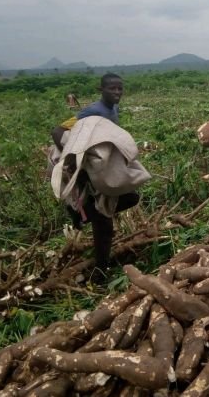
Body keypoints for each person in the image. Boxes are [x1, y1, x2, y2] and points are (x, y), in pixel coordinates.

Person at [51, 73, 140, 277]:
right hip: (88, 171)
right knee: (104, 224)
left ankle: (84, 215)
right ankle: (100, 269)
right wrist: (72, 160)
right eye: (112, 88)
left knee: (131, 196)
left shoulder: (114, 109)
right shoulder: (92, 111)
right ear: (101, 90)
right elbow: (57, 132)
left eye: (119, 88)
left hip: (103, 168)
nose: (117, 92)